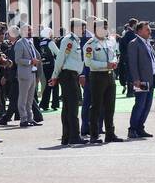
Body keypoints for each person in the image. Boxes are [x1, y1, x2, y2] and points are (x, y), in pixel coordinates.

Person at [83, 19, 121, 144]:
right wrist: (106, 64)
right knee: (96, 107)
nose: (105, 30)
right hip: (97, 76)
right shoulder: (90, 44)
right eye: (103, 28)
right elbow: (88, 62)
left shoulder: (109, 41)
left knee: (110, 106)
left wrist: (114, 62)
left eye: (106, 27)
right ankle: (94, 135)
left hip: (110, 76)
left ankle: (110, 134)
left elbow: (114, 54)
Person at [49, 18, 86, 146]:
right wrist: (55, 75)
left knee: (67, 108)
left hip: (72, 75)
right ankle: (74, 136)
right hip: (68, 75)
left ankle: (67, 136)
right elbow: (60, 58)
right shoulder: (69, 40)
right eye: (81, 28)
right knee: (72, 107)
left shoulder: (75, 40)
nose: (83, 30)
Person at [126, 21, 155, 139]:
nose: (150, 31)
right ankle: (132, 129)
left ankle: (140, 128)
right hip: (141, 80)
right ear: (139, 31)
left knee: (147, 105)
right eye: (147, 29)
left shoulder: (147, 43)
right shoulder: (134, 43)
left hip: (151, 79)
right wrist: (136, 79)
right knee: (140, 104)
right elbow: (132, 63)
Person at [12, 25, 40, 129]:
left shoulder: (30, 42)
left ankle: (30, 118)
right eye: (28, 30)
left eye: (31, 30)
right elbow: (17, 60)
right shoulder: (20, 43)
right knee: (23, 98)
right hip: (24, 73)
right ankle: (23, 119)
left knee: (30, 98)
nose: (30, 32)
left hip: (32, 72)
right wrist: (30, 61)